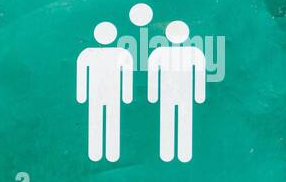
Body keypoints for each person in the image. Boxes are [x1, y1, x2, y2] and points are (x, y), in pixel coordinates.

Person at [146, 20, 206, 163]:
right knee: (175, 120)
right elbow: (153, 75)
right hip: (173, 93)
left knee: (179, 120)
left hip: (179, 93)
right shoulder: (193, 53)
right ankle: (170, 152)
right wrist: (199, 95)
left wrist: (152, 95)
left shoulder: (193, 53)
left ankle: (178, 152)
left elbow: (199, 75)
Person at [75, 21, 133, 163]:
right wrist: (127, 96)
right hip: (102, 94)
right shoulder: (90, 54)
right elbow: (82, 74)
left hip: (108, 94)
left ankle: (107, 152)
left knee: (105, 120)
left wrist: (82, 96)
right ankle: (99, 153)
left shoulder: (120, 54)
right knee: (100, 121)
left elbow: (126, 76)